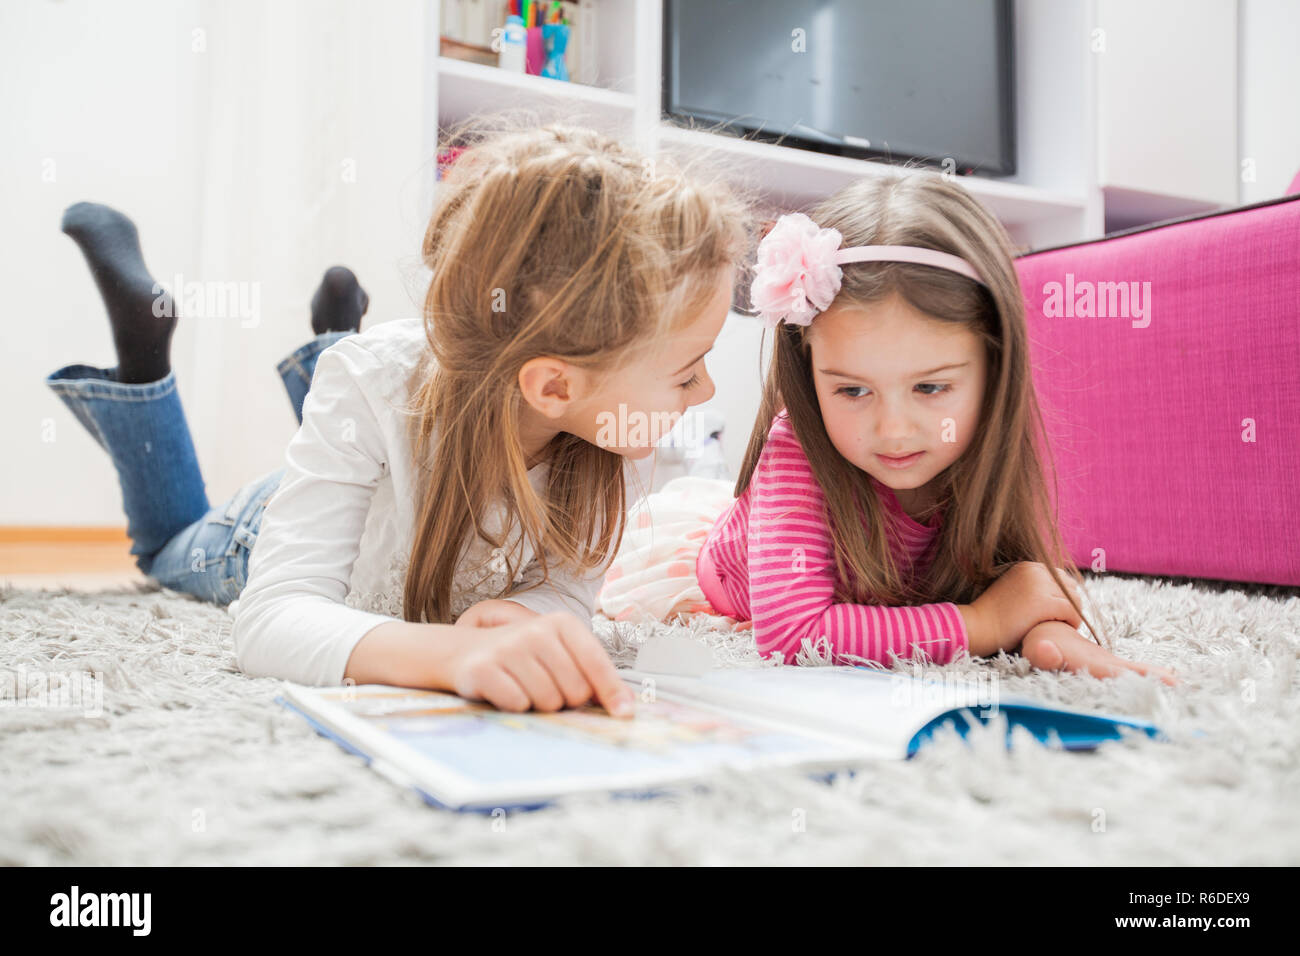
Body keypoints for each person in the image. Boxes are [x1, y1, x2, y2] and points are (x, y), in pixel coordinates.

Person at [45, 123, 753, 715]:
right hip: (257, 530)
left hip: (397, 443)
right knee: (164, 547)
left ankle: (333, 333)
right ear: (554, 386)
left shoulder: (621, 438)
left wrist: (531, 618)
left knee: (371, 400)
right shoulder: (373, 382)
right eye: (687, 370)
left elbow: (568, 587)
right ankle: (144, 362)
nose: (705, 390)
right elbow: (271, 621)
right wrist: (449, 651)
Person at [602, 174, 1177, 685]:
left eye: (930, 388)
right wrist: (984, 623)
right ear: (809, 371)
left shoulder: (984, 442)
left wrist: (1044, 627)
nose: (894, 429)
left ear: (994, 366)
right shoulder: (798, 449)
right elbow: (792, 635)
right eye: (852, 390)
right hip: (729, 575)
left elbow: (1016, 582)